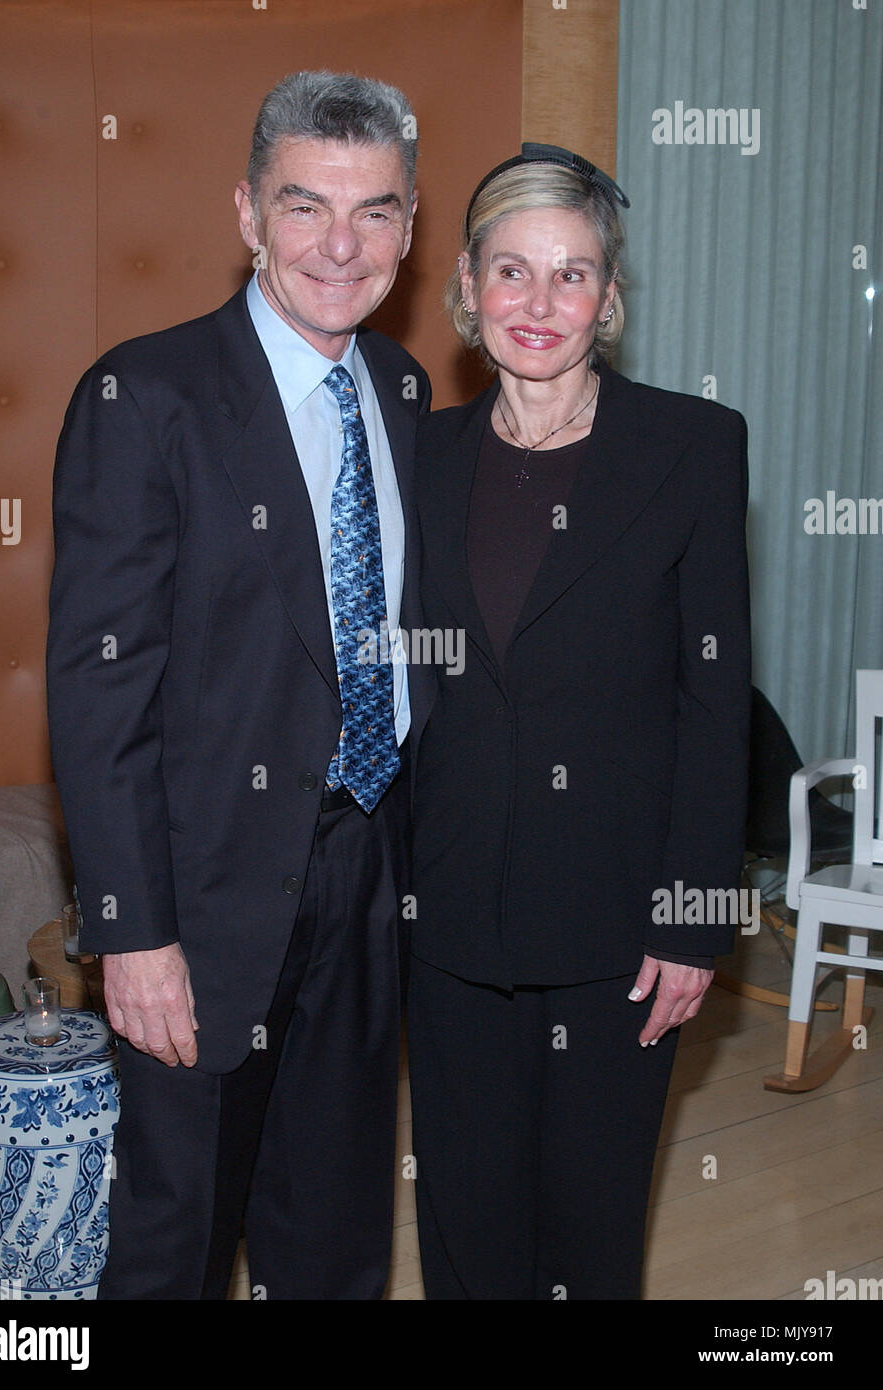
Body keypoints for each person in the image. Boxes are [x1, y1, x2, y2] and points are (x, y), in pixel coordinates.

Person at [46, 70, 433, 1300]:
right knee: (176, 1239)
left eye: (375, 211)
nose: (339, 243)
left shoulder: (409, 393)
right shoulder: (143, 394)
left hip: (370, 872)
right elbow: (97, 690)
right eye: (305, 204)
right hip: (202, 896)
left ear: (411, 229)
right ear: (248, 214)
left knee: (336, 1232)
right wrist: (132, 932)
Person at [407, 143, 750, 1300]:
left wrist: (696, 918)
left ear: (610, 296)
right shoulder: (421, 452)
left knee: (592, 1231)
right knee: (462, 1213)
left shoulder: (694, 447)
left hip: (619, 925)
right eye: (512, 270)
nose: (538, 303)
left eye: (571, 273)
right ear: (467, 285)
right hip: (448, 915)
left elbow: (716, 698)